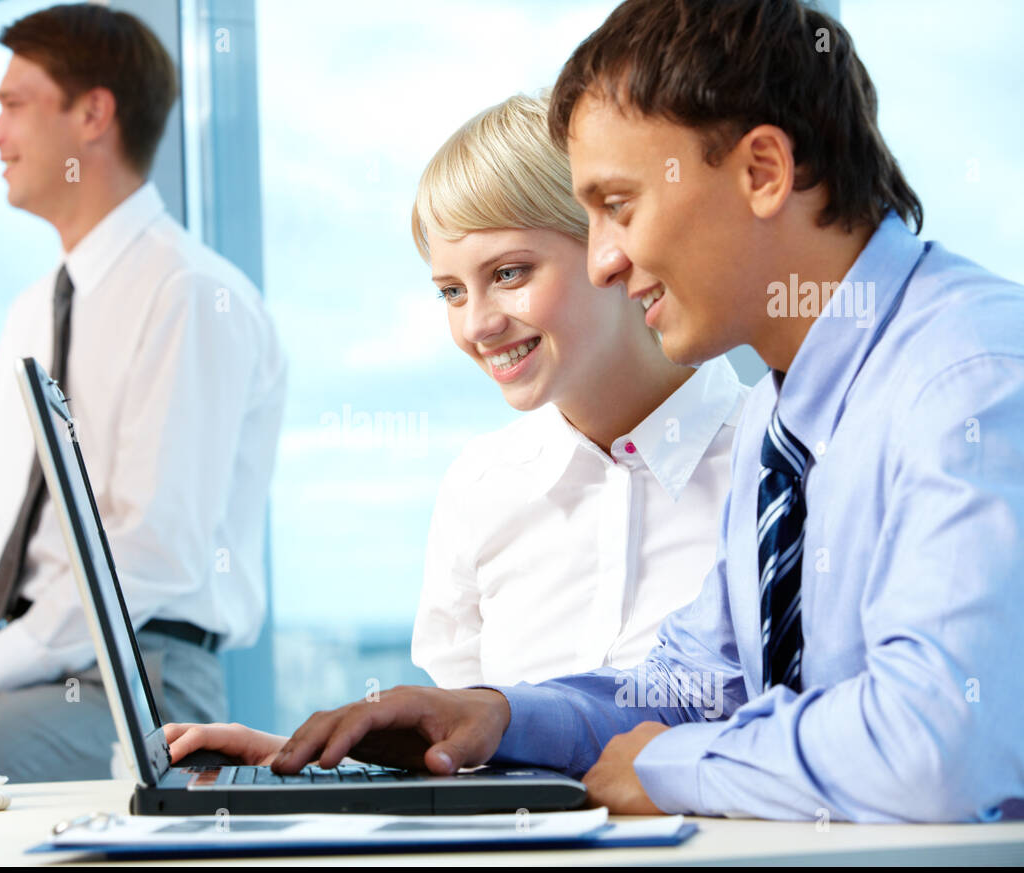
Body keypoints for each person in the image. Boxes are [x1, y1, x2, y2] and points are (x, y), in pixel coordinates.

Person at [255, 0, 1024, 824]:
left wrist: (668, 766)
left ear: (763, 172)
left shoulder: (969, 377)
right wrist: (497, 716)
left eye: (619, 206)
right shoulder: (784, 419)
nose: (604, 260)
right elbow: (687, 690)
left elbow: (935, 746)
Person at [165, 91, 747, 764]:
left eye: (509, 273)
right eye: (451, 291)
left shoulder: (775, 464)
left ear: (613, 249)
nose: (477, 325)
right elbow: (463, 760)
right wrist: (297, 764)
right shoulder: (482, 486)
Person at [0, 4, 286, 783]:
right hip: (37, 668)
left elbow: (151, 558)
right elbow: (22, 542)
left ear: (93, 114)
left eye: (13, 105)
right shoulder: (33, 309)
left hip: (145, 681)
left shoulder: (187, 294)